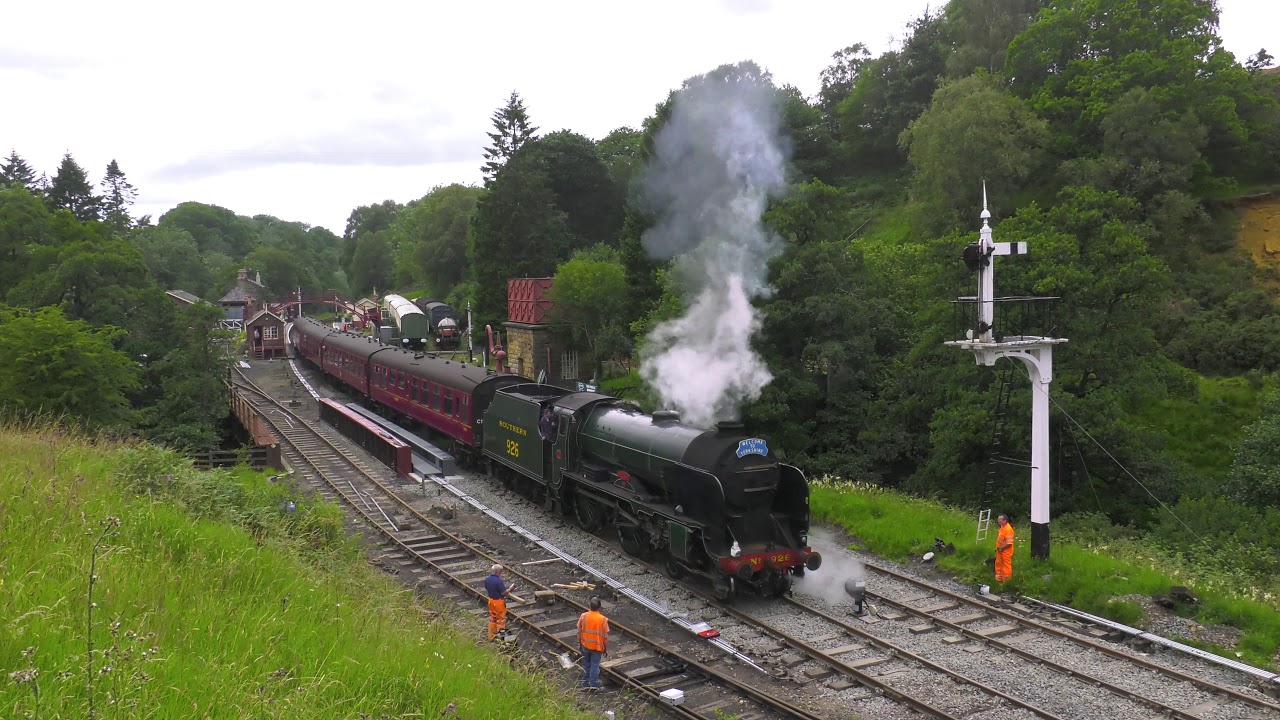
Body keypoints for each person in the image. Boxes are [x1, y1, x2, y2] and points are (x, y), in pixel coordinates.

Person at [577, 596, 610, 689]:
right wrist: (605, 649)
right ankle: (594, 683)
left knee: (585, 664)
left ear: (590, 606)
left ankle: (585, 683)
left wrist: (580, 642)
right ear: (599, 607)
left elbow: (578, 631)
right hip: (597, 647)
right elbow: (606, 637)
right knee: (594, 665)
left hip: (585, 645)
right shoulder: (603, 619)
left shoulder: (583, 616)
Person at [483, 564, 514, 641]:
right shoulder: (498, 581)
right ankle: (501, 637)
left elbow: (486, 588)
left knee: (492, 618)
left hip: (491, 601)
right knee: (501, 620)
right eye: (501, 571)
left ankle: (491, 636)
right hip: (499, 602)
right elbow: (503, 593)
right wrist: (509, 589)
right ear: (498, 572)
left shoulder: (487, 579)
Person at [994, 514, 1015, 582]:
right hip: (1000, 550)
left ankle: (1007, 580)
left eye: (1000, 520)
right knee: (999, 564)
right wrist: (998, 548)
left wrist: (1001, 548)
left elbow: (1009, 543)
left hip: (1006, 551)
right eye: (998, 520)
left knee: (1006, 566)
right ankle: (999, 578)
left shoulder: (1008, 529)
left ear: (1005, 520)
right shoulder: (1002, 527)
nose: (998, 521)